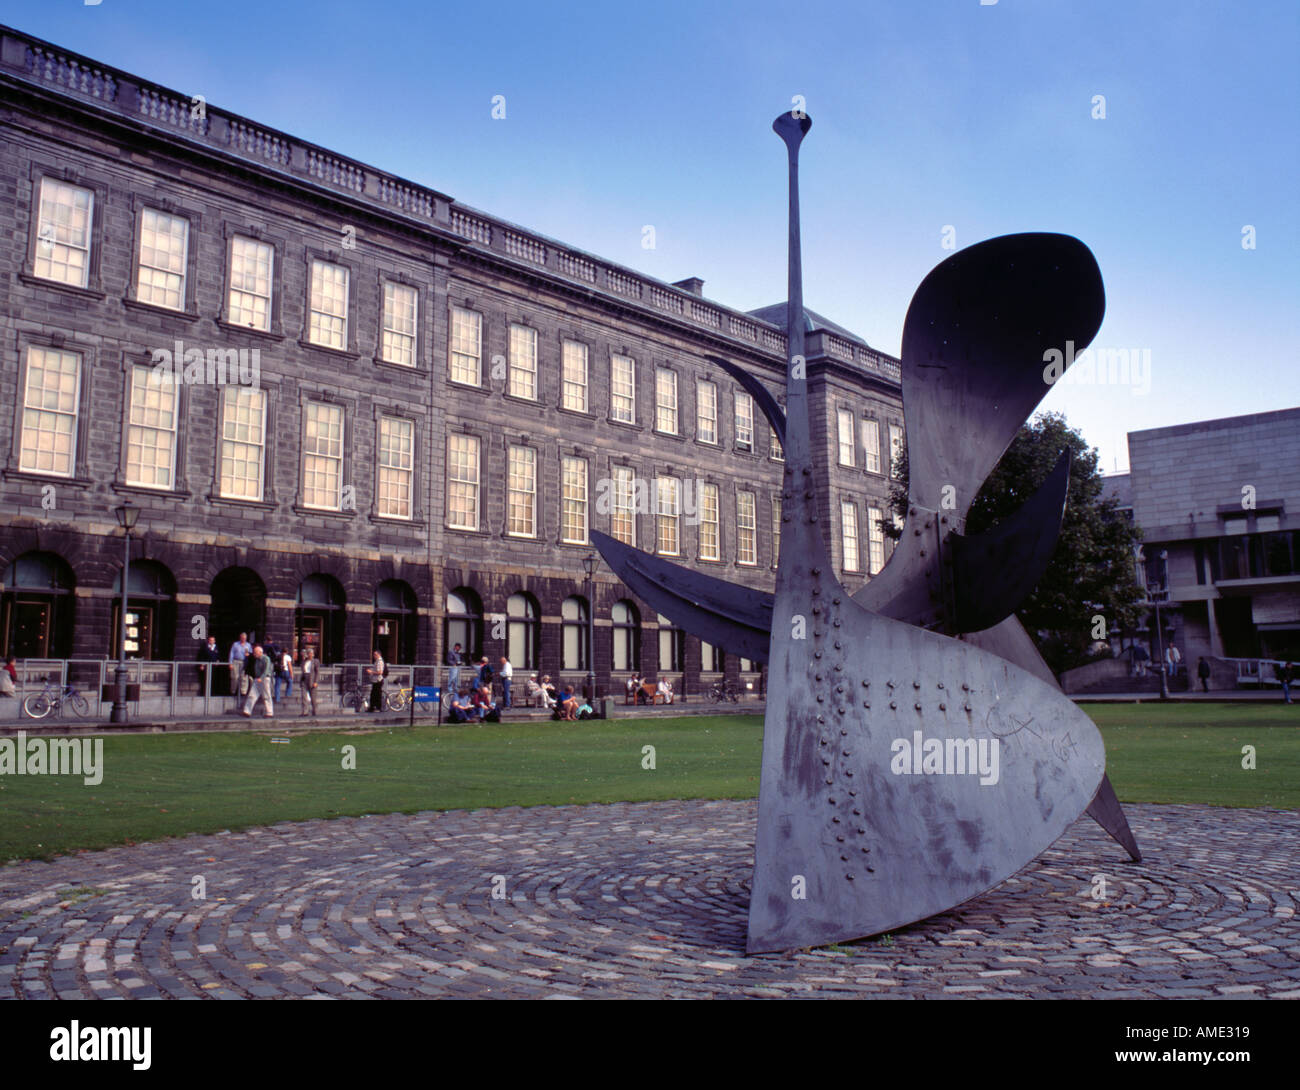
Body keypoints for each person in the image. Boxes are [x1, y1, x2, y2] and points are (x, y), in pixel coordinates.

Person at [240, 644, 274, 718]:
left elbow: (266, 670)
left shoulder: (266, 659)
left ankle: (269, 712)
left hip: (265, 679)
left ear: (260, 652)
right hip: (257, 678)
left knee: (266, 695)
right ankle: (247, 711)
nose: (254, 654)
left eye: (255, 652)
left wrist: (261, 678)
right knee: (252, 695)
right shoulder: (256, 659)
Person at [300, 647, 319, 716]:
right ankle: (305, 711)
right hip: (304, 678)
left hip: (312, 679)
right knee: (304, 696)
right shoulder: (304, 661)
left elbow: (317, 672)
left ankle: (315, 711)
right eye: (308, 653)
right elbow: (302, 668)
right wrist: (303, 658)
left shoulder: (315, 661)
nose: (310, 655)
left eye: (311, 653)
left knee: (313, 697)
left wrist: (316, 681)